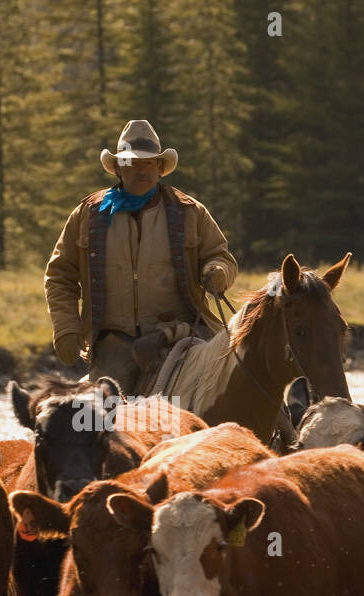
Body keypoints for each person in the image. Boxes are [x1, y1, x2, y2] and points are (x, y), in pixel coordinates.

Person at [44, 119, 238, 393]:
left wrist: (217, 272)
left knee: (229, 392)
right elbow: (60, 276)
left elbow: (222, 257)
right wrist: (65, 327)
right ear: (118, 169)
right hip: (114, 345)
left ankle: (278, 431)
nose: (141, 169)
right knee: (100, 423)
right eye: (132, 163)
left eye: (149, 163)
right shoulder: (88, 214)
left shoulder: (189, 211)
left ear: (160, 169)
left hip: (183, 336)